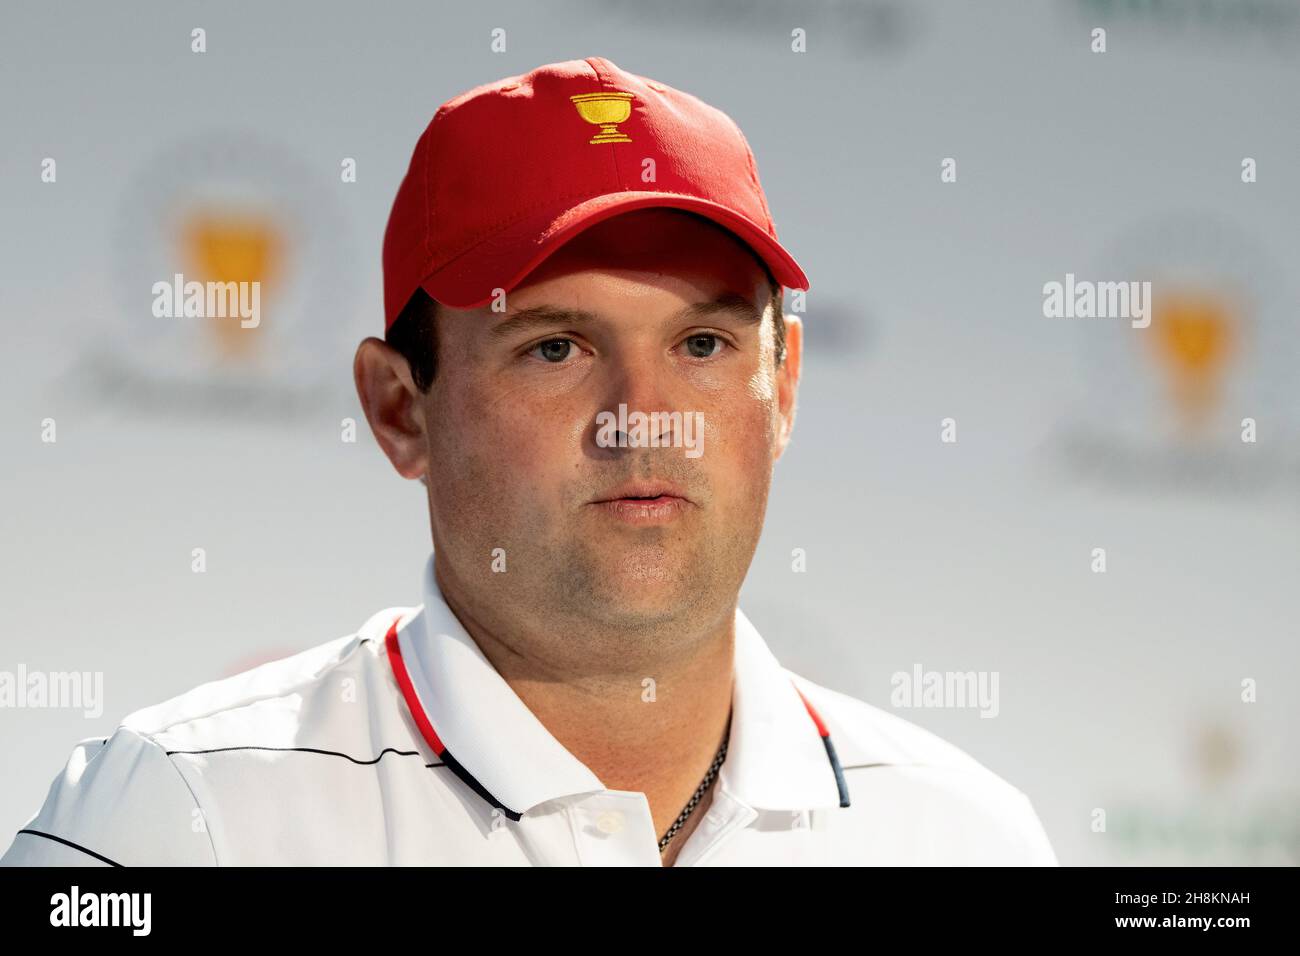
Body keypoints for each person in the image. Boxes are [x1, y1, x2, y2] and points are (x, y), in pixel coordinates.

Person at [1, 57, 1056, 866]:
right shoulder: (179, 816)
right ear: (398, 408)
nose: (646, 420)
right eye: (556, 347)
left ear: (780, 390)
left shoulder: (968, 836)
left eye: (702, 345)